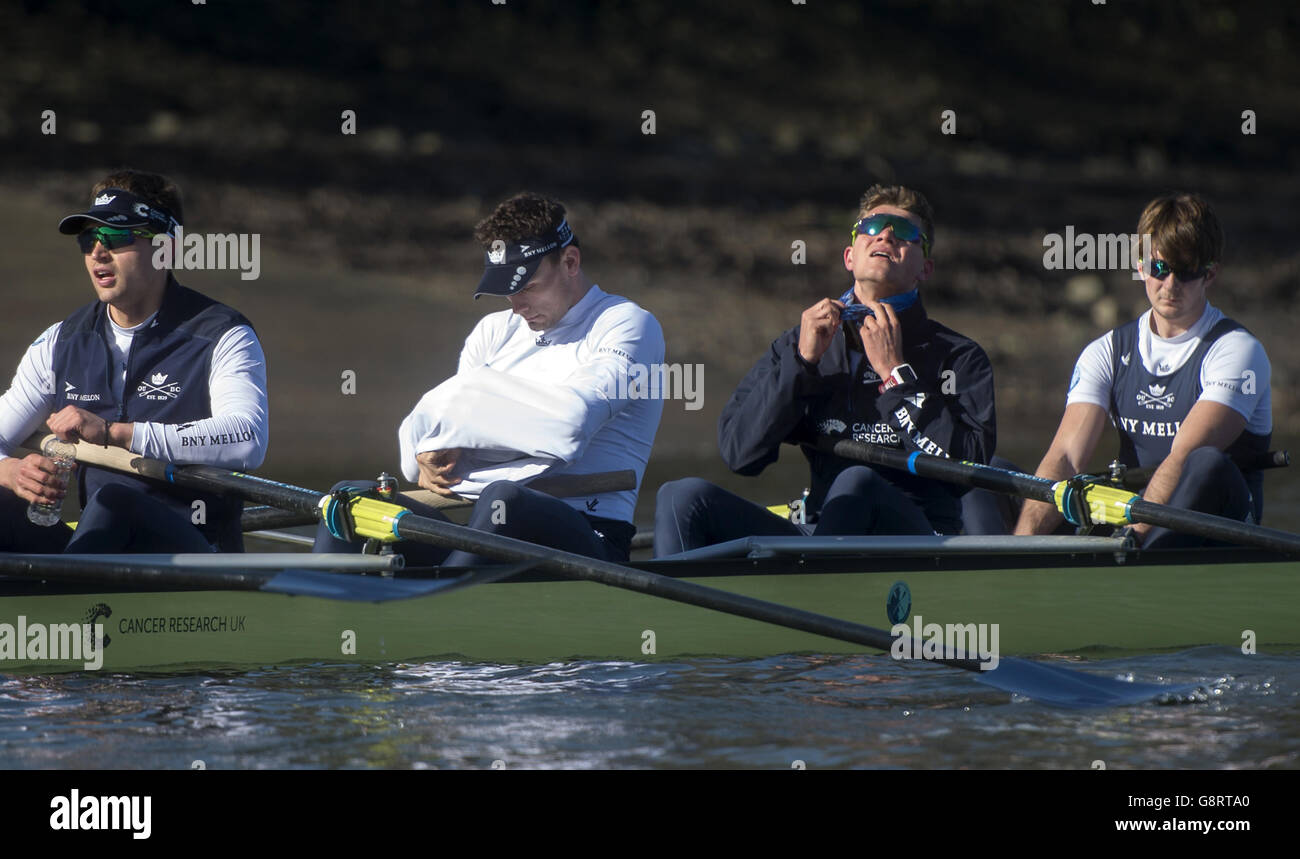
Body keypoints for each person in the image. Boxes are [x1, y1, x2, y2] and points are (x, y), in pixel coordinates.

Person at [314, 192, 664, 565]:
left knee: (506, 498)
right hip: (486, 528)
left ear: (570, 262)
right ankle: (319, 616)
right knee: (350, 500)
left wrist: (462, 400)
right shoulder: (493, 331)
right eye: (508, 291)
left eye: (528, 286)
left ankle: (447, 606)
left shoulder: (626, 324)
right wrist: (459, 426)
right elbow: (421, 457)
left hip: (591, 532)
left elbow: (569, 427)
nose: (517, 305)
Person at [654, 185, 996, 556]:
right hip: (821, 533)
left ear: (925, 269)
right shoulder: (804, 342)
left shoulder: (960, 356)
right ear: (849, 257)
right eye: (873, 227)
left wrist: (895, 375)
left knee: (858, 481)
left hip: (917, 539)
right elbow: (740, 452)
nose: (885, 235)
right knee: (681, 496)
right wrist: (801, 367)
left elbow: (967, 469)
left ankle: (808, 588)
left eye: (906, 234)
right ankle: (666, 614)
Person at [0, 169, 269, 553]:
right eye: (89, 238)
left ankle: (72, 603)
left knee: (115, 501)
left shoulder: (223, 335)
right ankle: (61, 597)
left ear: (167, 248)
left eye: (116, 236)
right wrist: (10, 472)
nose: (97, 251)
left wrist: (116, 433)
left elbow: (247, 439)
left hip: (196, 556)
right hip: (100, 554)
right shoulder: (61, 341)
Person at [1009, 192, 1270, 548]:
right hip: (1133, 527)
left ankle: (1129, 562)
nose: (1170, 285)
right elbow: (1066, 458)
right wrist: (1021, 546)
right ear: (1139, 267)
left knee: (1206, 462)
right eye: (1159, 268)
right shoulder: (1106, 352)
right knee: (999, 477)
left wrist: (1129, 543)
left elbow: (1183, 456)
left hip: (1214, 528)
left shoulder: (1237, 351)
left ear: (1210, 275)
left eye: (1186, 270)